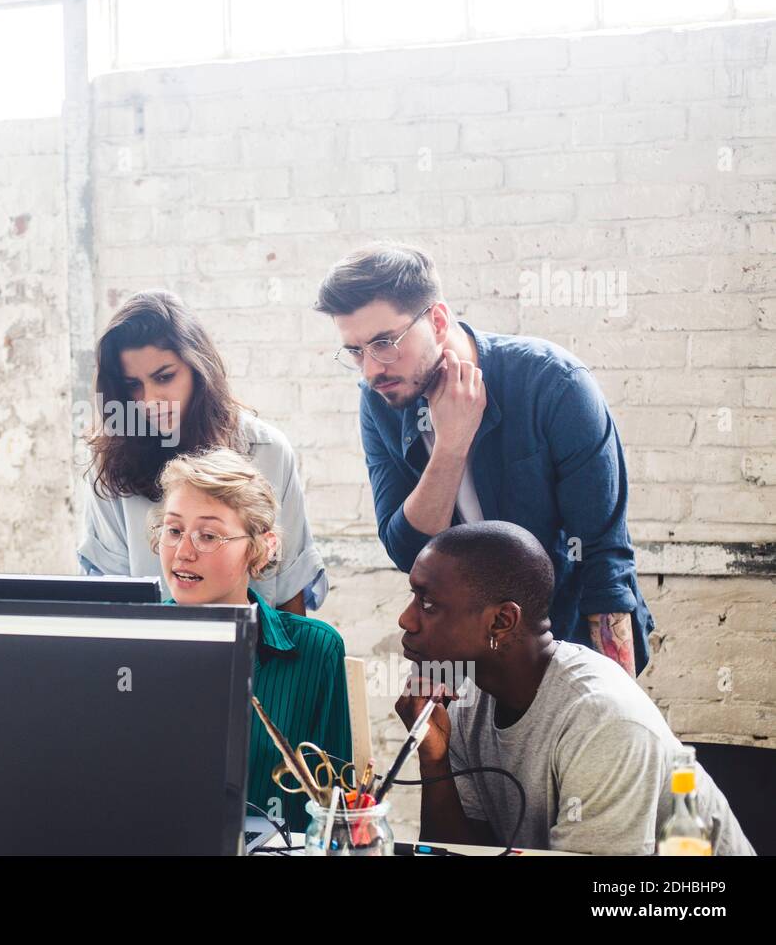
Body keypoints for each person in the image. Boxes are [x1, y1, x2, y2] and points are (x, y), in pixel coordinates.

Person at [315, 241, 653, 675]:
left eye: (384, 342)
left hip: (567, 647)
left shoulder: (553, 385)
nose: (371, 370)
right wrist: (451, 446)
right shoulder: (382, 399)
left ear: (437, 320)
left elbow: (604, 563)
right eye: (356, 351)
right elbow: (408, 551)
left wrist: (613, 703)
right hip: (466, 656)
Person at [395, 521, 753, 855]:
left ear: (502, 621)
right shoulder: (464, 706)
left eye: (427, 604)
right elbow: (465, 852)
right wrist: (434, 759)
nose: (406, 619)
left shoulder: (604, 722)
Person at [81, 289, 327, 614]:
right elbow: (111, 603)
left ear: (199, 368)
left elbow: (288, 585)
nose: (149, 400)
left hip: (256, 657)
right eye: (132, 385)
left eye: (164, 377)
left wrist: (289, 663)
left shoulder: (268, 450)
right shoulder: (111, 464)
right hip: (148, 656)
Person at [150, 447, 349, 833]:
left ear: (260, 548)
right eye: (174, 530)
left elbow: (334, 810)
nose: (183, 552)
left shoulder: (316, 650)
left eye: (208, 536)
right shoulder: (131, 644)